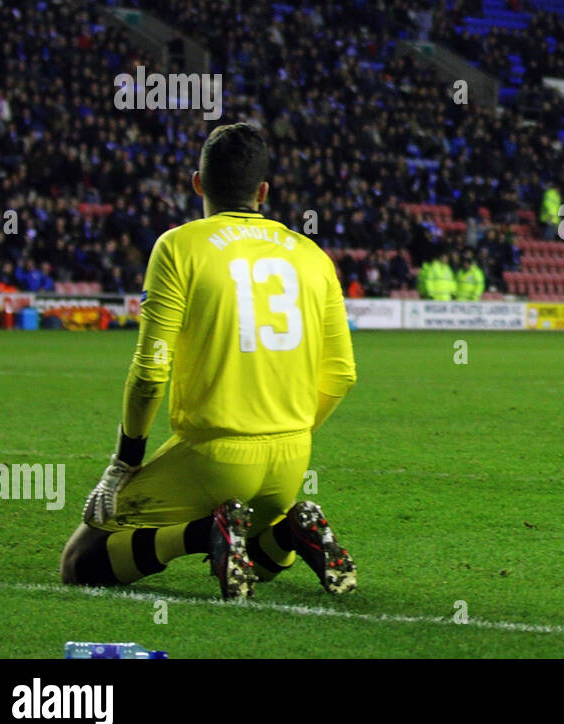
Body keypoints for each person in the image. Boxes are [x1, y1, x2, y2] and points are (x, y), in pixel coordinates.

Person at [60, 124, 358, 600]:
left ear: (197, 183)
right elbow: (342, 374)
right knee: (254, 561)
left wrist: (124, 461)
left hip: (214, 455)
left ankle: (203, 535)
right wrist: (286, 429)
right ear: (264, 191)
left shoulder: (179, 246)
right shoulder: (313, 256)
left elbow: (150, 372)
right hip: (290, 459)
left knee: (80, 562)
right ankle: (288, 533)